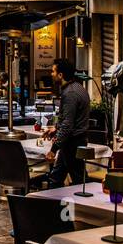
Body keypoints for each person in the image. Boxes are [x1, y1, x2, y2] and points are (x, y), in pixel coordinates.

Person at [44, 57, 89, 188]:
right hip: (73, 142)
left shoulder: (70, 94)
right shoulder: (77, 87)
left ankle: (76, 206)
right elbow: (69, 119)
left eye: (53, 71)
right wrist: (55, 128)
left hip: (73, 144)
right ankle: (54, 205)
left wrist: (53, 149)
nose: (51, 74)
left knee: (78, 180)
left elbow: (68, 125)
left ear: (60, 74)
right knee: (57, 177)